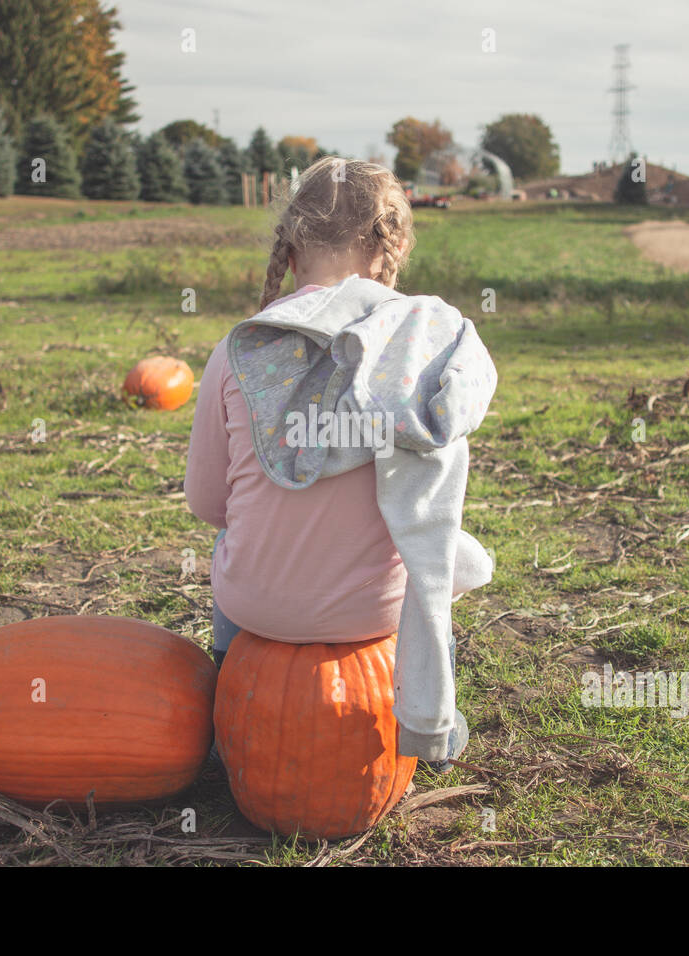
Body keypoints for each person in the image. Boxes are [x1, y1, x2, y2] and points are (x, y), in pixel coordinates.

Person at [184, 157, 497, 770]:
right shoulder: (426, 345)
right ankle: (434, 717)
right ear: (392, 249)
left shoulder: (239, 348)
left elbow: (206, 504)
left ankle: (228, 726)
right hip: (374, 614)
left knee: (233, 525)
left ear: (292, 251)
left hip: (258, 608)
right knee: (430, 546)